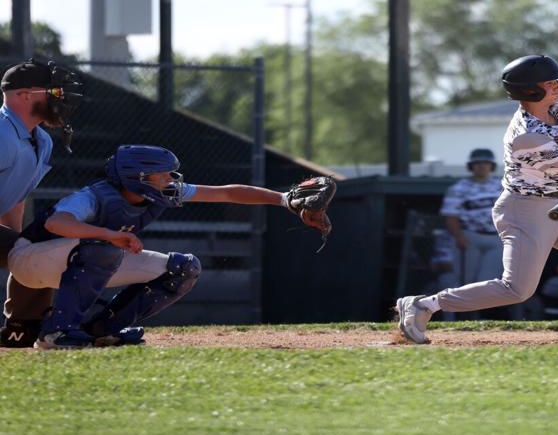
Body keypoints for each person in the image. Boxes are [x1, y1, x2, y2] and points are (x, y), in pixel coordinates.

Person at [393, 55, 558, 347]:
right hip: (523, 209)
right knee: (517, 289)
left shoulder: (556, 105)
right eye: (549, 83)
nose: (557, 87)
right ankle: (425, 305)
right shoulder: (527, 136)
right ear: (529, 91)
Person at [5, 144, 332, 348]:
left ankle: (101, 330)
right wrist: (108, 234)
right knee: (103, 248)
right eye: (162, 176)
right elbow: (55, 224)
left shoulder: (163, 192)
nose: (171, 180)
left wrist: (284, 200)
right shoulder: (93, 196)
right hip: (31, 260)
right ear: (137, 178)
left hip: (83, 258)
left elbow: (227, 192)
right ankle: (56, 333)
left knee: (183, 268)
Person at [1, 58, 84, 348]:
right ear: (23, 96)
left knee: (36, 250)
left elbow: (15, 198)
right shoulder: (2, 133)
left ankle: (21, 328)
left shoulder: (42, 140)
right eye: (54, 92)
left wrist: (18, 243)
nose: (60, 98)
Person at [440, 147, 513, 319]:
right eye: (477, 163)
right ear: (471, 166)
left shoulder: (501, 185)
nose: (482, 166)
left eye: (486, 163)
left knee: (486, 281)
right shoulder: (459, 187)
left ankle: (477, 318)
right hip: (470, 236)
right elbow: (451, 216)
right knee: (464, 280)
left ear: (491, 166)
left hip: (496, 237)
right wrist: (459, 237)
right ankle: (459, 319)